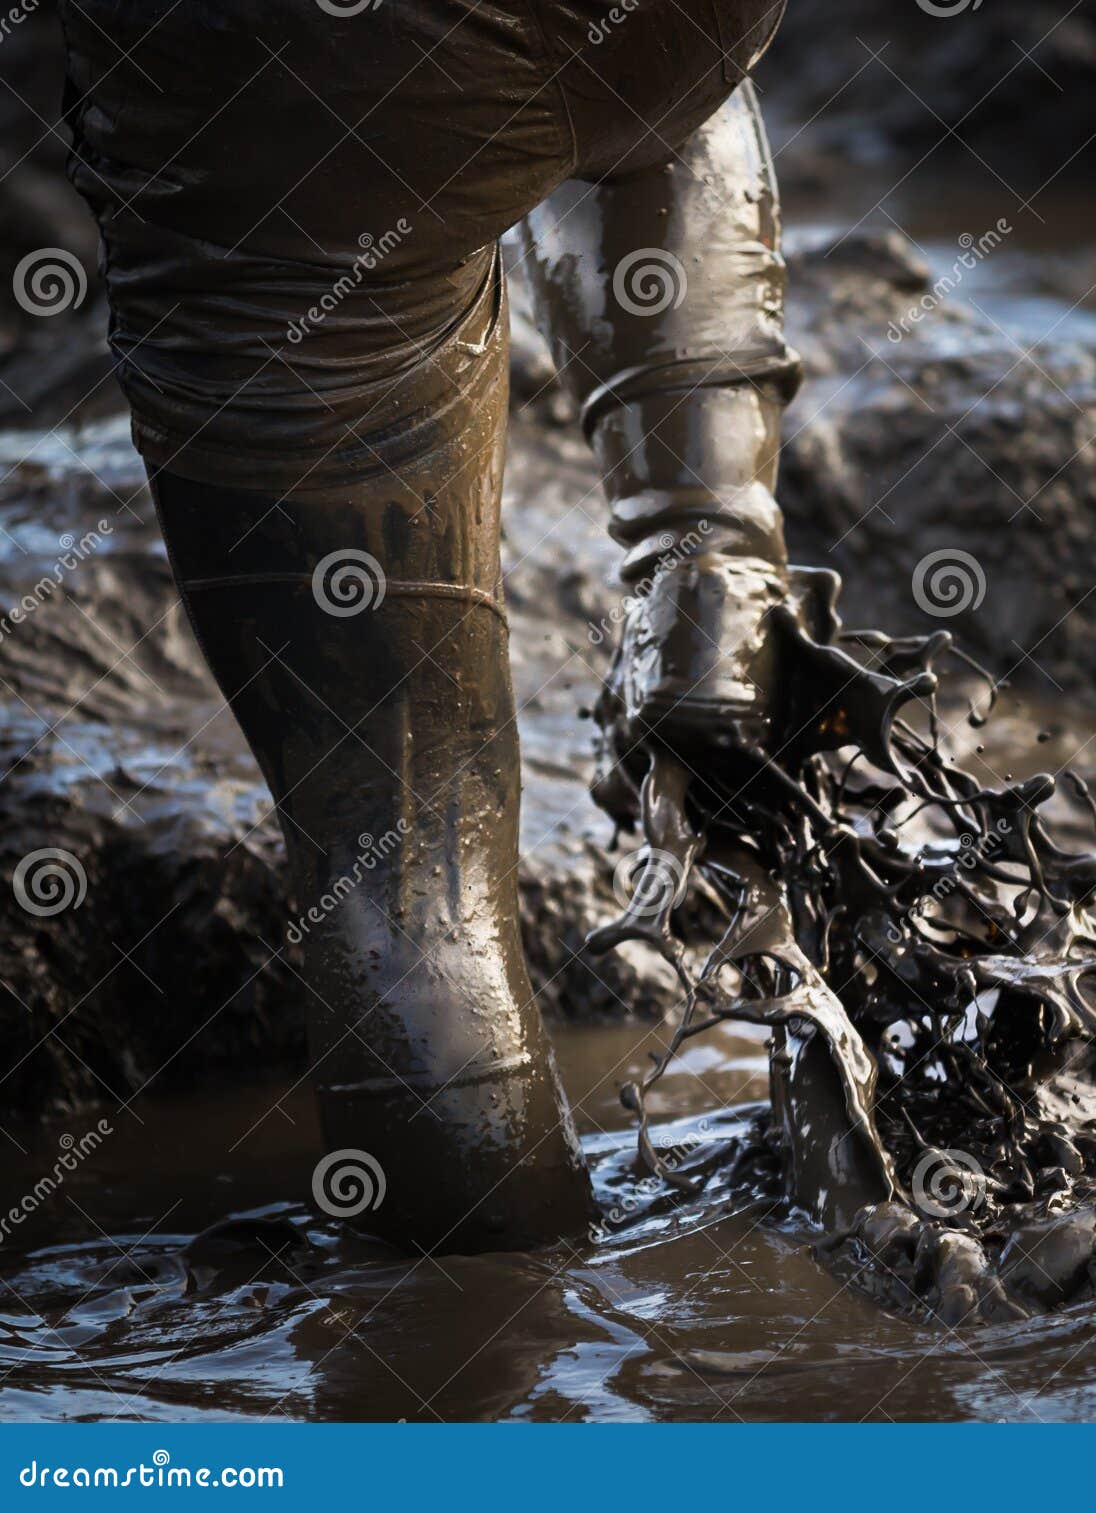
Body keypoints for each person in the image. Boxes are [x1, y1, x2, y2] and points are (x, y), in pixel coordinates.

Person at [58, 0, 800, 1252]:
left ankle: (487, 1312)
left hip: (325, 90)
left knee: (402, 850)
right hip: (688, 32)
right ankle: (711, 557)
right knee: (628, 74)